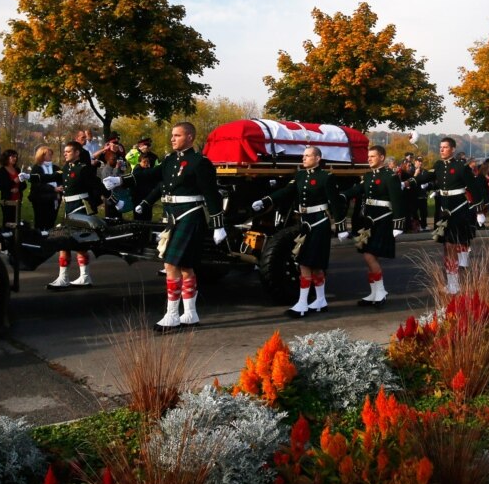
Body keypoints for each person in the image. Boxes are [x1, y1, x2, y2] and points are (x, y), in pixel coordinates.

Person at [105, 122, 225, 329]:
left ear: (190, 137)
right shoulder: (170, 160)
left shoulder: (200, 162)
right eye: (172, 135)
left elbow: (211, 193)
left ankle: (172, 315)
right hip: (172, 217)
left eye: (177, 135)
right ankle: (191, 314)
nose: (172, 139)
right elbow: (149, 175)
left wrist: (218, 224)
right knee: (186, 267)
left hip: (190, 215)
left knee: (171, 265)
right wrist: (121, 181)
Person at [252, 146, 347, 317]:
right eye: (303, 155)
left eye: (308, 155)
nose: (303, 158)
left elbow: (335, 202)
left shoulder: (326, 177)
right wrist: (266, 200)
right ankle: (320, 300)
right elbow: (286, 191)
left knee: (309, 263)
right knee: (310, 263)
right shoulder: (300, 175)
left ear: (317, 158)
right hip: (305, 222)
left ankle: (303, 302)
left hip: (320, 222)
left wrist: (341, 227)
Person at [410, 137, 478, 295]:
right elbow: (426, 177)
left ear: (453, 149)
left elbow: (474, 187)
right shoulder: (439, 165)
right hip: (444, 210)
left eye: (445, 147)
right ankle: (451, 282)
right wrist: (408, 182)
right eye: (440, 147)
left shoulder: (460, 166)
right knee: (446, 247)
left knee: (452, 245)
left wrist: (482, 206)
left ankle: (455, 284)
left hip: (458, 209)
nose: (441, 149)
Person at [340, 144, 405, 307]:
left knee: (369, 256)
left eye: (372, 156)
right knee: (369, 256)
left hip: (383, 220)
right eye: (368, 157)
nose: (369, 159)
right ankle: (374, 293)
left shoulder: (390, 176)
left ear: (382, 157)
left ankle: (381, 291)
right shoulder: (369, 176)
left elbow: (398, 201)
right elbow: (358, 189)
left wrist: (398, 224)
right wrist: (342, 195)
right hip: (369, 221)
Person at [48, 141, 99, 290]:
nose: (65, 153)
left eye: (68, 151)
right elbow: (52, 176)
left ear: (77, 153)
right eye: (65, 151)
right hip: (69, 209)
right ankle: (80, 276)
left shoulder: (83, 169)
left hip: (80, 208)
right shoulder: (66, 167)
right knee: (71, 243)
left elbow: (96, 185)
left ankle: (72, 277)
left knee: (74, 243)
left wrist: (112, 199)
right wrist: (31, 177)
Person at [28, 146, 63, 232]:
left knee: (51, 221)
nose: (51, 155)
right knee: (40, 221)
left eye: (51, 154)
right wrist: (53, 189)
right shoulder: (36, 168)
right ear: (42, 155)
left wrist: (59, 192)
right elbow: (37, 185)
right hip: (40, 199)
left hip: (54, 198)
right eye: (49, 154)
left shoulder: (56, 168)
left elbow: (61, 180)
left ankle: (49, 236)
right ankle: (39, 237)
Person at [0, 149, 30, 227]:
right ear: (6, 157)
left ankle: (15, 234)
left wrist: (18, 189)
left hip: (18, 200)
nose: (15, 158)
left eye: (16, 157)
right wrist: (13, 182)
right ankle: (6, 233)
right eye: (12, 156)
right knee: (7, 220)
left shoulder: (17, 170)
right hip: (7, 200)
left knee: (16, 221)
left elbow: (24, 185)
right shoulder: (2, 170)